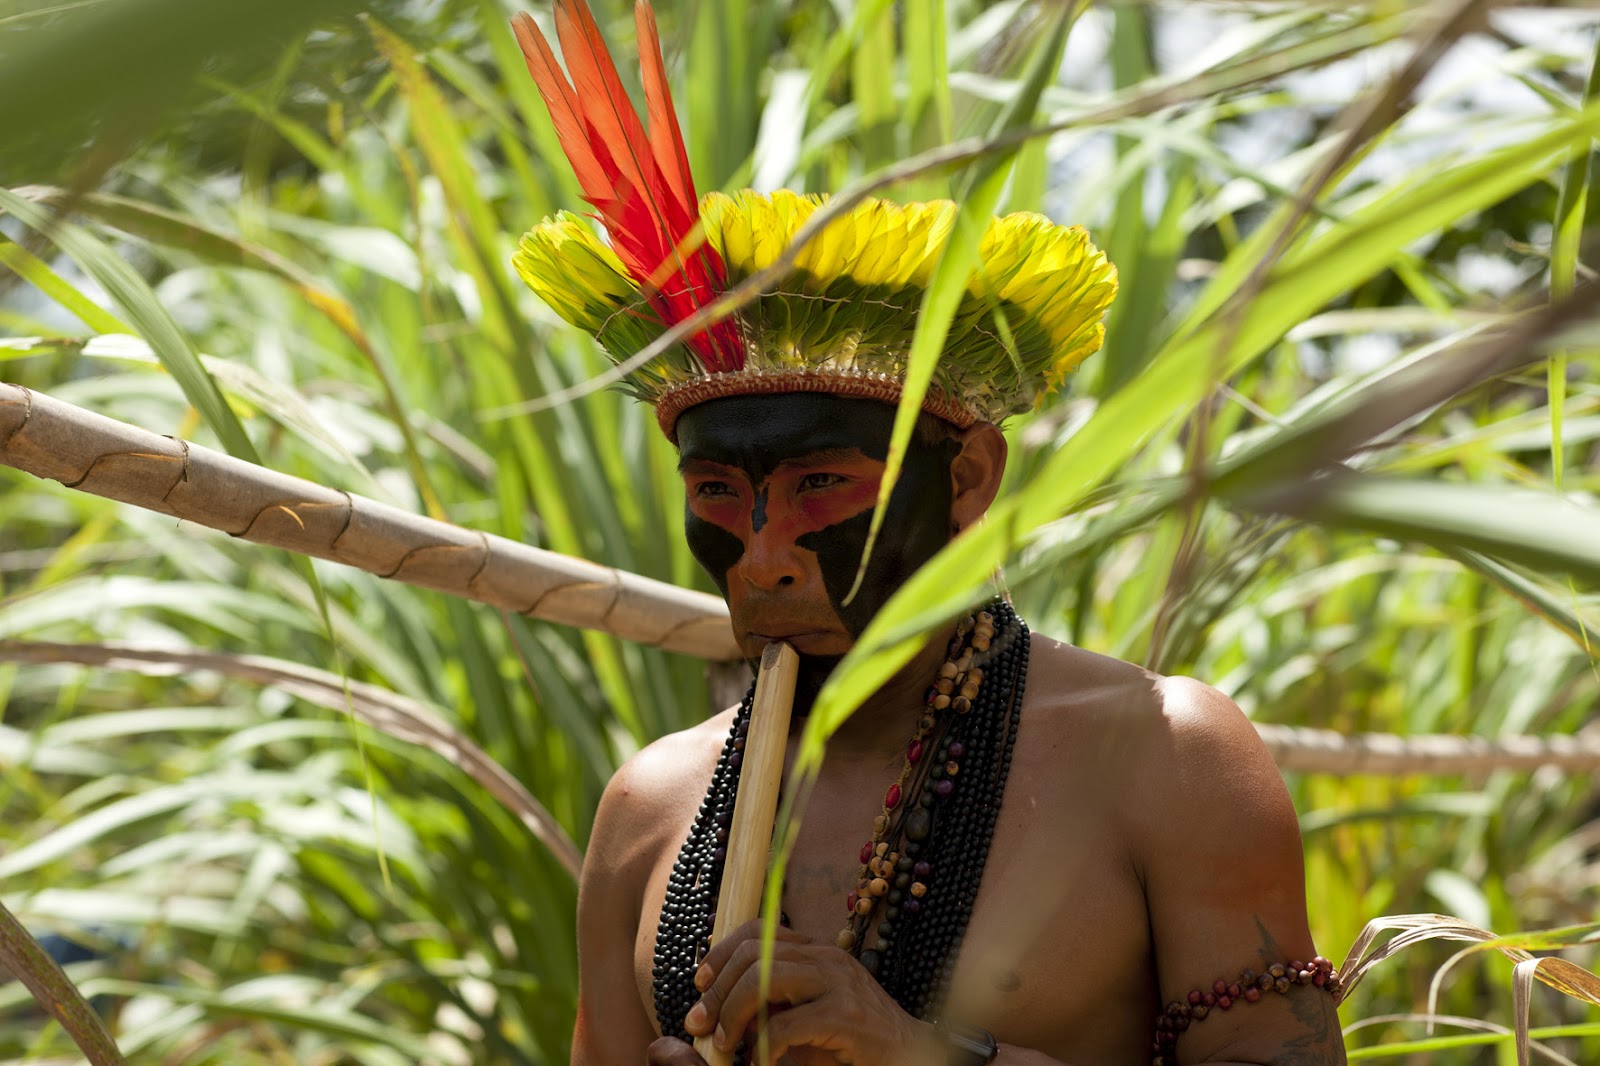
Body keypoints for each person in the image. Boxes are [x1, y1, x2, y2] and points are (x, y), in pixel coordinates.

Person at [509, 3, 1348, 1063]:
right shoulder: (650, 806)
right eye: (719, 494)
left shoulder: (1162, 755)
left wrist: (924, 1053)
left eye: (820, 483)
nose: (764, 553)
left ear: (967, 476)